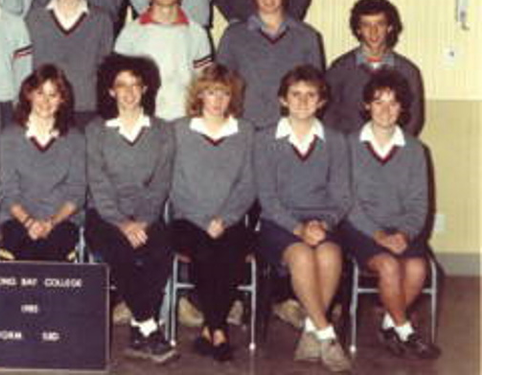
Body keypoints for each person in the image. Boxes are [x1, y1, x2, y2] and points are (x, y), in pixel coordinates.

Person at [253, 65, 352, 372]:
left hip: (322, 222)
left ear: (321, 101)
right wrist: (298, 228)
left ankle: (311, 330)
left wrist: (325, 224)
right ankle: (326, 334)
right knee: (302, 256)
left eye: (311, 95)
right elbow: (267, 198)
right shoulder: (265, 139)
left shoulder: (335, 140)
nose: (303, 101)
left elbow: (342, 196)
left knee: (330, 254)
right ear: (283, 99)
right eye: (295, 94)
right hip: (278, 223)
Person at [340, 70, 440, 359]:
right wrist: (378, 235)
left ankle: (388, 323)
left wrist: (405, 233)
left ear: (403, 108)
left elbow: (419, 203)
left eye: (393, 103)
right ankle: (406, 331)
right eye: (378, 102)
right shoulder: (348, 145)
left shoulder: (415, 150)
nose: (385, 110)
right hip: (361, 228)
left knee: (417, 267)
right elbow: (347, 202)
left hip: (401, 228)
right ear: (366, 106)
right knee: (388, 266)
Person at [85, 54, 178, 364]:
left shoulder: (163, 130)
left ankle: (139, 327)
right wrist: (122, 223)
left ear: (146, 88)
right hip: (105, 216)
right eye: (121, 85)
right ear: (110, 91)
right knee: (120, 251)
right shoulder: (96, 130)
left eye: (135, 84)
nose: (128, 92)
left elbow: (161, 183)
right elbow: (98, 185)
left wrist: (144, 220)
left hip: (147, 216)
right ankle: (148, 326)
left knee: (162, 250)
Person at [169, 64, 256, 362]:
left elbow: (248, 184)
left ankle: (212, 329)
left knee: (231, 251)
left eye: (224, 93)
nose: (217, 100)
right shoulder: (179, 130)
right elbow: (174, 184)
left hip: (231, 220)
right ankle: (219, 329)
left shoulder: (245, 132)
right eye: (210, 92)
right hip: (188, 220)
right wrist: (204, 221)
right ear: (199, 95)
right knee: (205, 250)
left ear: (232, 97)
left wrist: (225, 219)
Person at [216, 0, 323, 129]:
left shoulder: (307, 36)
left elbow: (316, 91)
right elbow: (219, 86)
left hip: (291, 130)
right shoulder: (233, 36)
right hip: (246, 129)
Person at [0, 65, 86, 261]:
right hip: (17, 218)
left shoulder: (75, 139)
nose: (45, 101)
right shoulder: (9, 137)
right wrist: (29, 222)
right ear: (29, 95)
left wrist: (51, 223)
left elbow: (77, 192)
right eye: (40, 93)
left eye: (53, 95)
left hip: (62, 220)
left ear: (62, 99)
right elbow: (8, 191)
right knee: (25, 248)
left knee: (52, 248)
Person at [26, 0, 114, 125]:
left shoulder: (102, 21)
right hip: (44, 110)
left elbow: (106, 73)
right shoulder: (33, 20)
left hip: (86, 110)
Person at [115, 0, 212, 121]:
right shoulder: (130, 33)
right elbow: (119, 83)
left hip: (185, 118)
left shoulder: (197, 33)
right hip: (144, 120)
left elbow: (204, 83)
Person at [325, 0, 425, 136]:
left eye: (380, 24)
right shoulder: (339, 69)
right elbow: (328, 116)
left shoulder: (408, 71)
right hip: (349, 147)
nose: (373, 32)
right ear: (358, 29)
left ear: (389, 27)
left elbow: (413, 119)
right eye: (366, 25)